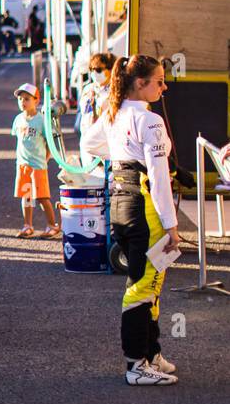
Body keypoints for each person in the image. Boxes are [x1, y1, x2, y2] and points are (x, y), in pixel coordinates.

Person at [81, 55, 180, 386]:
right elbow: (158, 175)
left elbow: (88, 143)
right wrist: (171, 224)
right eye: (159, 80)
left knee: (149, 283)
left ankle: (150, 354)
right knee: (142, 286)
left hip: (121, 203)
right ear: (141, 83)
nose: (164, 87)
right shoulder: (149, 120)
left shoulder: (115, 111)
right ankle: (137, 364)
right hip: (145, 207)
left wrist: (123, 156)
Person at [10, 83, 59, 239]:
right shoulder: (18, 119)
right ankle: (28, 225)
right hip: (22, 164)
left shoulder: (42, 120)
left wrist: (46, 158)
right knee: (26, 195)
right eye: (20, 99)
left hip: (37, 165)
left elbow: (50, 142)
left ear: (36, 101)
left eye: (26, 99)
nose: (22, 102)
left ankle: (52, 225)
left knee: (42, 197)